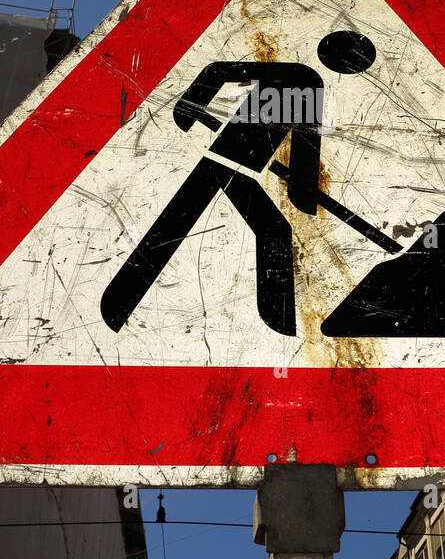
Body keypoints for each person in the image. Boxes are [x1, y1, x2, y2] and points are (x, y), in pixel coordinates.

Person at [101, 30, 376, 336]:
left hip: (239, 168)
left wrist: (303, 192)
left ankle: (117, 302)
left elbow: (304, 150)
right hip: (223, 161)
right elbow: (217, 71)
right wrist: (188, 111)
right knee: (252, 228)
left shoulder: (311, 84)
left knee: (185, 221)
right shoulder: (298, 75)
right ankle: (280, 327)